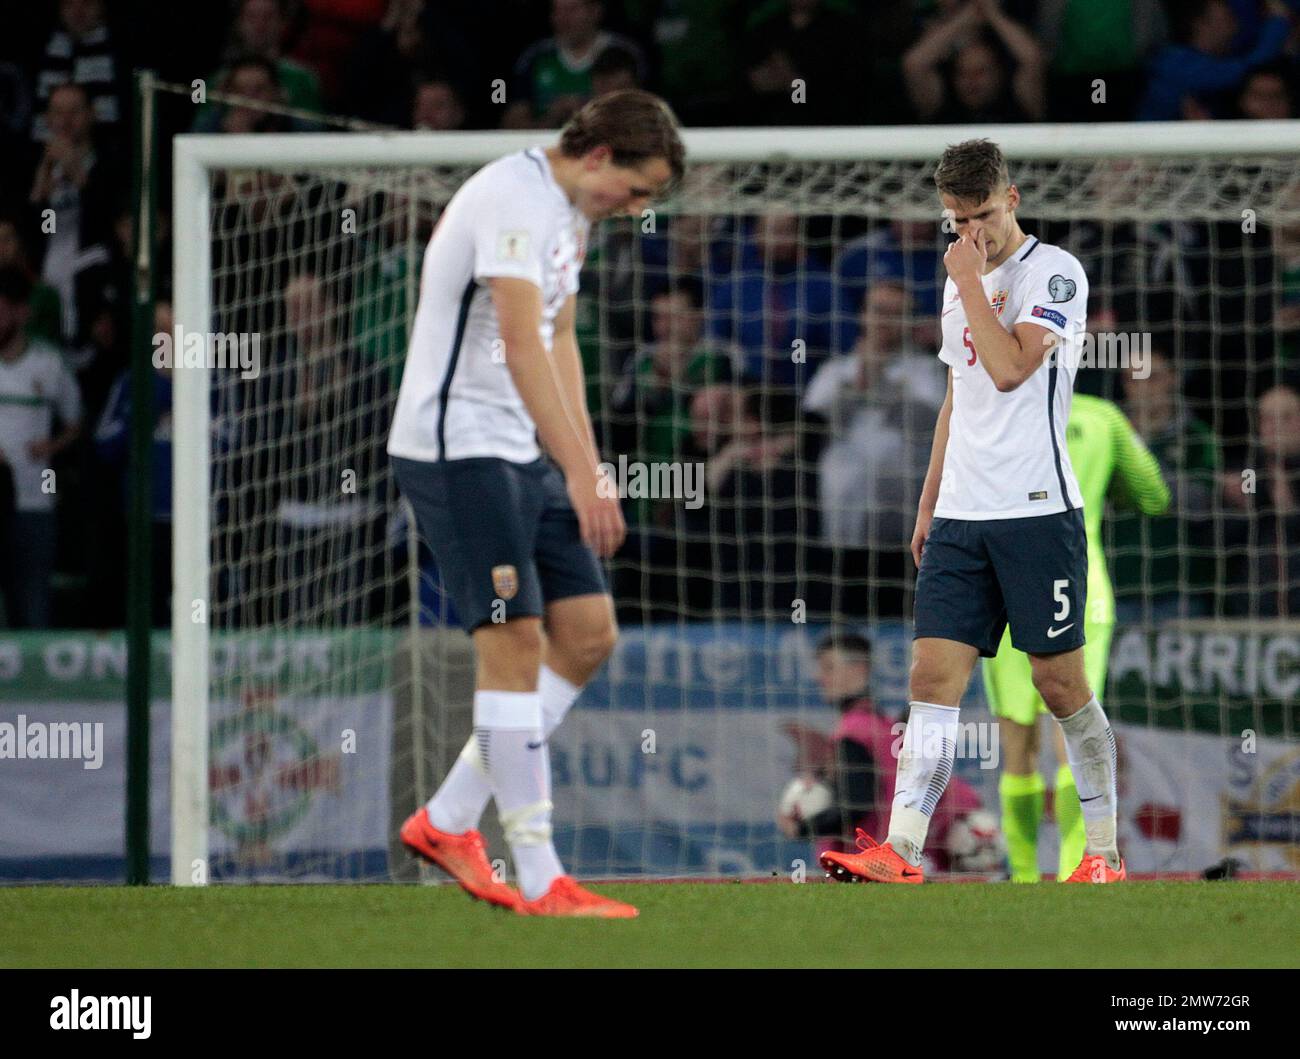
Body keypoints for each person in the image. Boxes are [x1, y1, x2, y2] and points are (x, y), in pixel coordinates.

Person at [387, 90, 683, 916]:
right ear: (598, 157)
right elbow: (518, 344)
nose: (637, 209)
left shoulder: (572, 216)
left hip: (520, 450)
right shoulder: (513, 200)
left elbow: (558, 341)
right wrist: (580, 472)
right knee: (516, 639)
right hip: (457, 450)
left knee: (587, 634)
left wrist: (587, 462)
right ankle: (542, 874)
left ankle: (447, 819)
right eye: (636, 189)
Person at [820, 138, 1125, 886]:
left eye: (983, 215)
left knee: (1060, 685)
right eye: (957, 219)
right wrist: (929, 504)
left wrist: (972, 281)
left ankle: (1105, 851)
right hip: (962, 515)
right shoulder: (959, 275)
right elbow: (960, 398)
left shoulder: (1055, 272)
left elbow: (1014, 367)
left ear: (1012, 199)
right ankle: (903, 848)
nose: (972, 233)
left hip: (1037, 513)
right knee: (931, 675)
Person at [982, 394, 1168, 883]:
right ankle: (1075, 871)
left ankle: (1022, 879)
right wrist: (1108, 485)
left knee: (1016, 748)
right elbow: (1154, 495)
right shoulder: (1103, 417)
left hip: (1006, 583)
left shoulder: (995, 404)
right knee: (1075, 729)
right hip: (1083, 589)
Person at [780, 631, 981, 873]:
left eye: (828, 667)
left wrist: (801, 828)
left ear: (859, 670)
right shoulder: (889, 729)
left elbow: (856, 804)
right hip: (918, 861)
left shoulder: (854, 732)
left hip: (868, 862)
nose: (819, 677)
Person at [0, 266, 82, 628]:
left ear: (21, 311)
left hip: (35, 500)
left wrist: (51, 444)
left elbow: (76, 422)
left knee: (34, 603)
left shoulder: (48, 362)